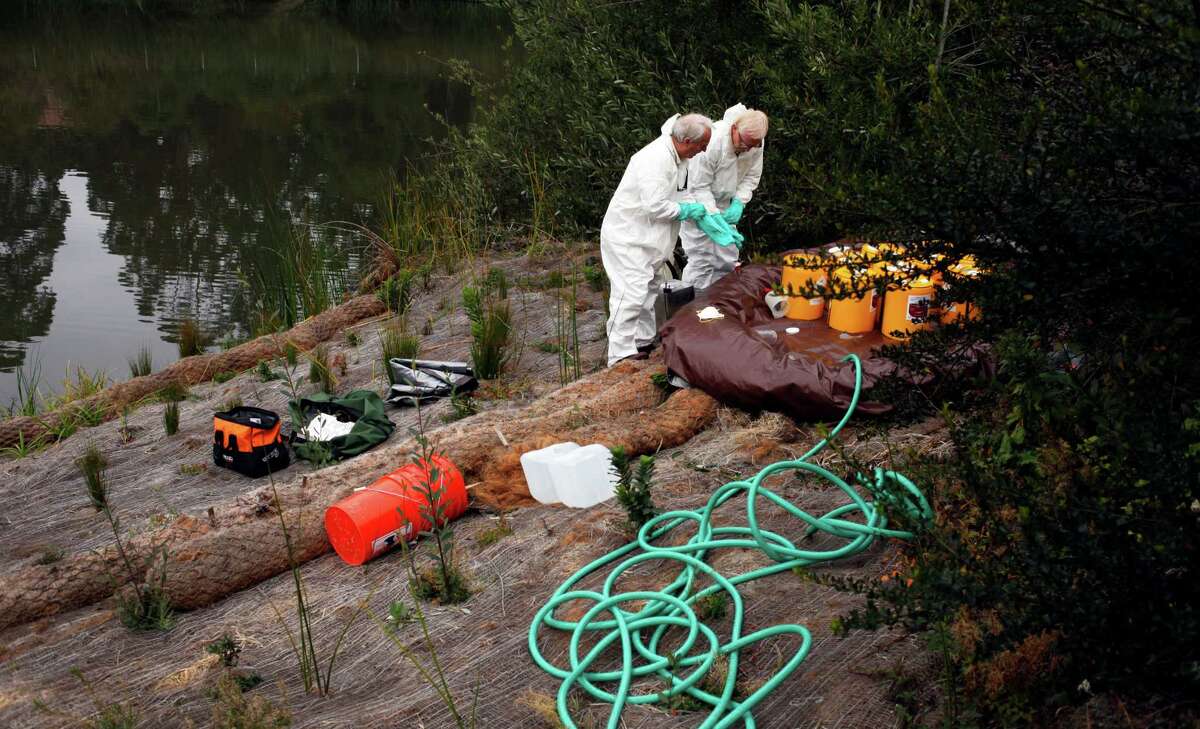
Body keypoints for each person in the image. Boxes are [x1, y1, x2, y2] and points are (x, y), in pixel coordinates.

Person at [602, 113, 732, 366]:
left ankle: (640, 342)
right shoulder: (654, 159)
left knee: (649, 289)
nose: (704, 150)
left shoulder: (680, 158)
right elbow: (655, 206)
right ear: (685, 140)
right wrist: (686, 211)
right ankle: (618, 355)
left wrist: (710, 216)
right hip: (629, 237)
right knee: (629, 294)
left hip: (649, 238)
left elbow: (683, 193)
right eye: (702, 145)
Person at [680, 104, 768, 290]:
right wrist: (712, 215)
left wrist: (739, 202)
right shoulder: (713, 142)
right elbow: (699, 186)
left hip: (726, 204)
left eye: (753, 145)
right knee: (701, 259)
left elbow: (752, 176)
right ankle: (694, 309)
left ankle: (722, 306)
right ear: (734, 128)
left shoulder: (755, 142)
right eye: (744, 142)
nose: (747, 148)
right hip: (698, 205)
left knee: (727, 257)